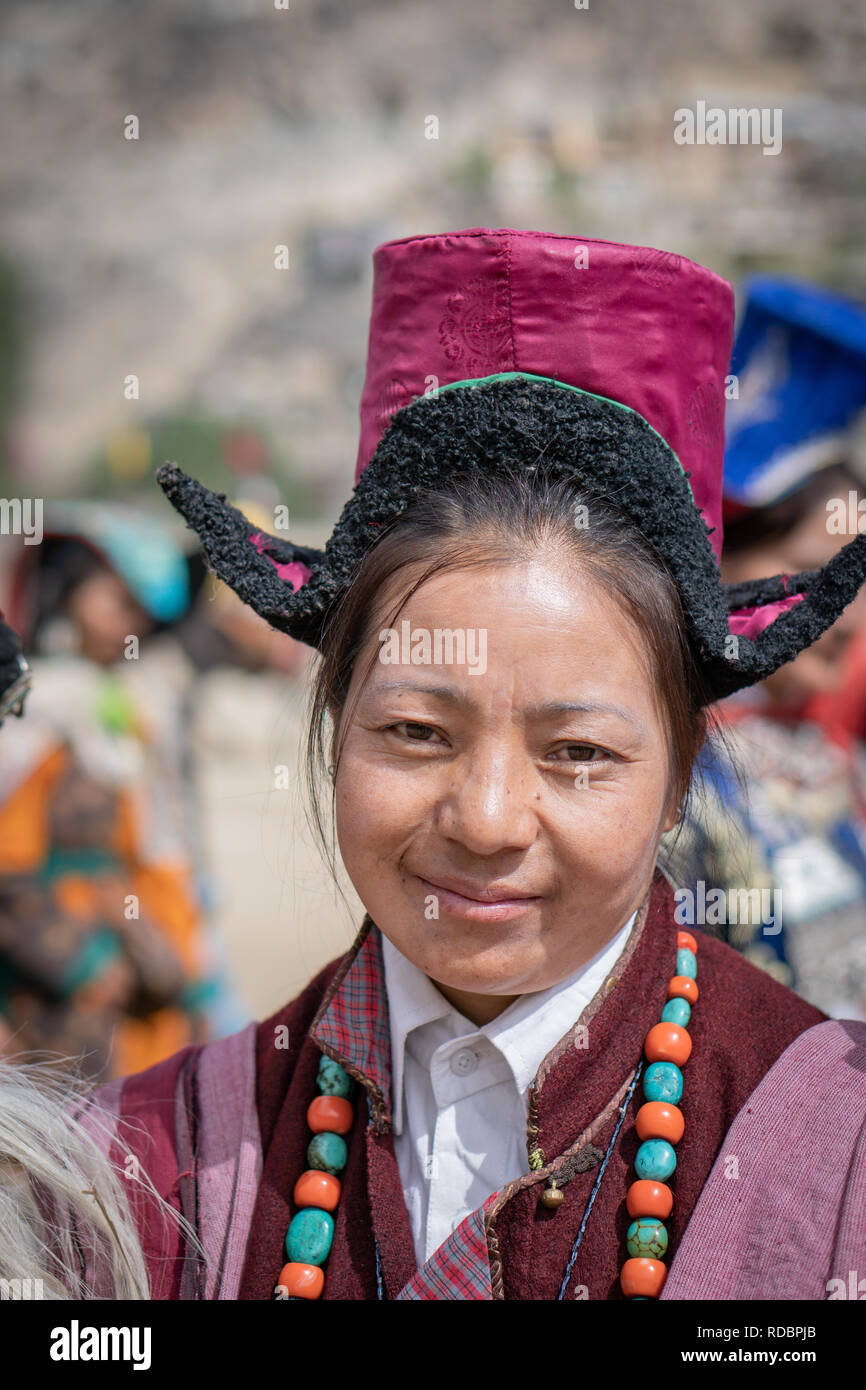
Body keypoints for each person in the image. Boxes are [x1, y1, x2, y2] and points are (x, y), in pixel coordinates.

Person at [84, 228, 866, 1301]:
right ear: (334, 712)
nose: (489, 819)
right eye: (416, 732)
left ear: (681, 763)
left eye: (577, 751)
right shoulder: (137, 1177)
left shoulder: (835, 1164)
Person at [663, 277, 866, 1017]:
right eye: (817, 574)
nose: (846, 612)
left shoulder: (824, 752)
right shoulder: (658, 773)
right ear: (716, 565)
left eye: (859, 576)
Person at [0, 504, 219, 1079]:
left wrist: (187, 965)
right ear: (69, 589)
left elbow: (159, 847)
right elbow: (8, 864)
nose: (130, 622)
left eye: (139, 608)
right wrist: (81, 961)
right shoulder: (29, 711)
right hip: (45, 982)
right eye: (115, 598)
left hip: (136, 970)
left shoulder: (135, 709)